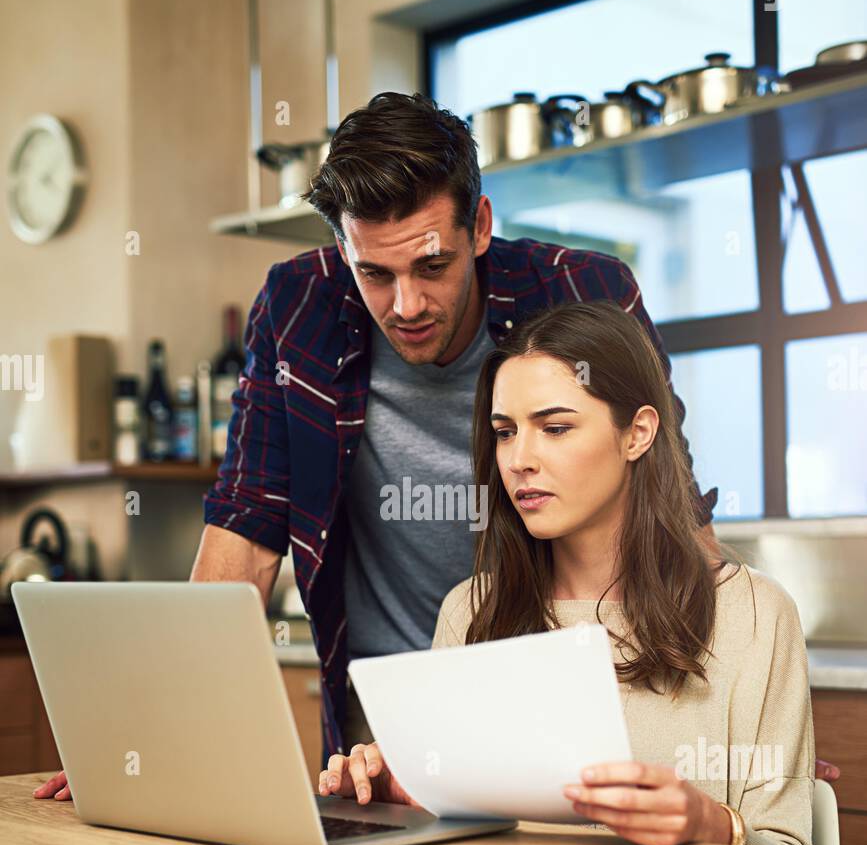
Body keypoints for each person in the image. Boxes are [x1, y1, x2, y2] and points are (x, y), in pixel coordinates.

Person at [35, 92, 837, 802]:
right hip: (387, 711)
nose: (406, 304)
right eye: (373, 274)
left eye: (432, 265)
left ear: (479, 225)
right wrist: (149, 732)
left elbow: (664, 486)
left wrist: (744, 678)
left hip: (547, 685)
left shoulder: (581, 292)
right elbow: (243, 536)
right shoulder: (298, 307)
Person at [319, 301, 815, 845]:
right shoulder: (470, 612)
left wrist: (709, 823)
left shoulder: (754, 615)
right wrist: (398, 795)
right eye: (505, 432)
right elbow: (457, 842)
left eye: (555, 428)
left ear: (638, 434)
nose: (519, 460)